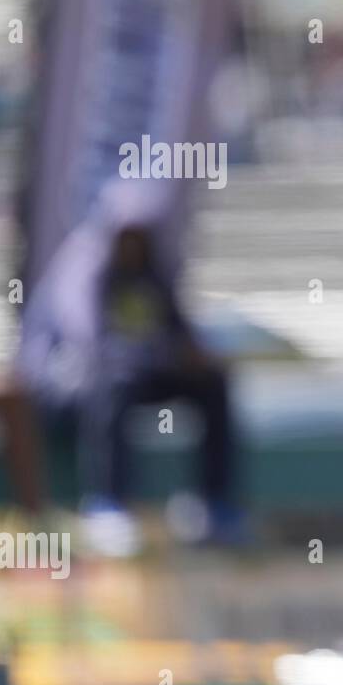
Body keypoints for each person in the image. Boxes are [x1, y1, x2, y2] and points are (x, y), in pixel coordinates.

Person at [78, 220, 246, 553]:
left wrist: (192, 355)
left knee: (213, 383)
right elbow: (94, 342)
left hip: (157, 374)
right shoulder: (95, 281)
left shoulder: (156, 280)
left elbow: (180, 334)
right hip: (113, 380)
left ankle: (214, 501)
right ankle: (109, 502)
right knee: (114, 388)